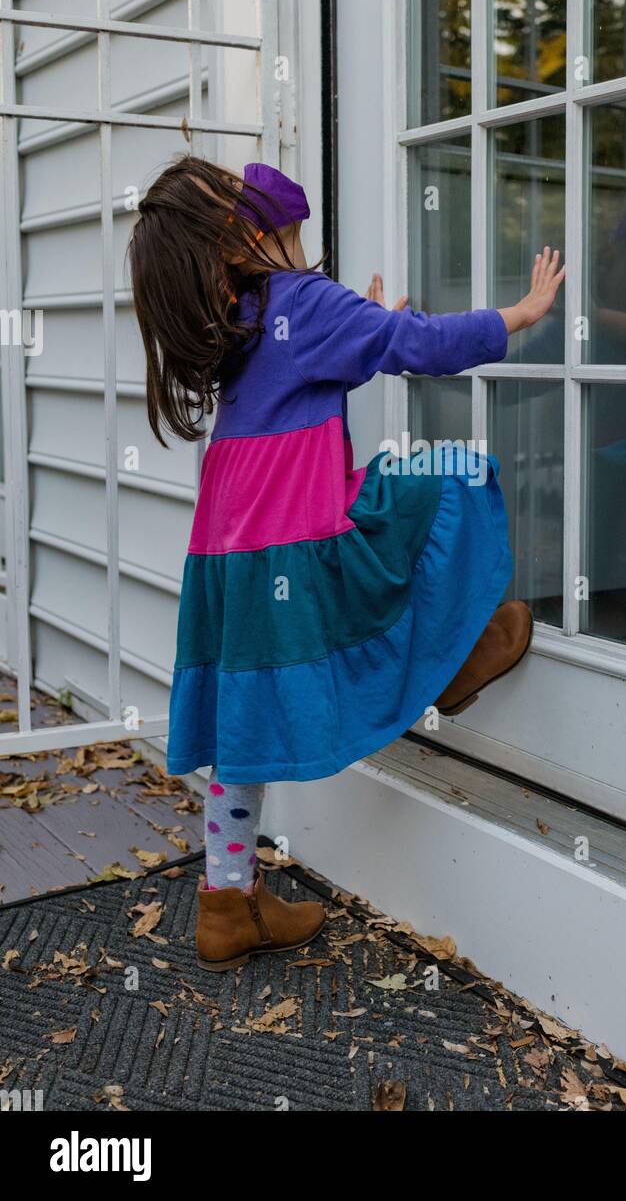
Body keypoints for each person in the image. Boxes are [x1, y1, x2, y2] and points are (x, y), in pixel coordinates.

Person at [128, 156, 565, 971]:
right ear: (254, 234)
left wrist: (362, 322)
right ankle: (451, 662)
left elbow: (311, 369)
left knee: (242, 725)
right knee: (454, 481)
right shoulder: (299, 300)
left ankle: (226, 905)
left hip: (230, 557)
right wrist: (519, 314)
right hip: (300, 542)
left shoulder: (240, 324)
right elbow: (420, 345)